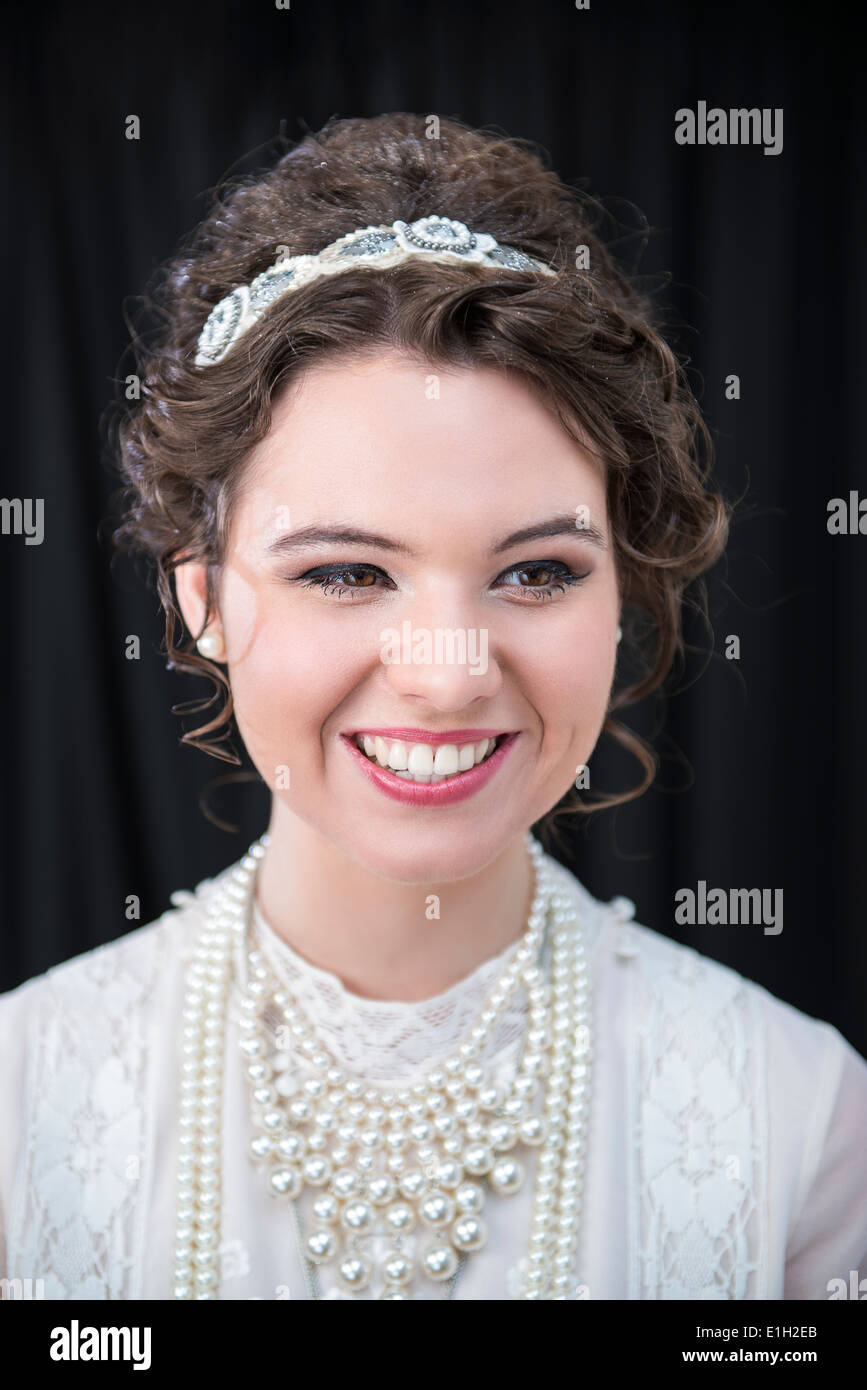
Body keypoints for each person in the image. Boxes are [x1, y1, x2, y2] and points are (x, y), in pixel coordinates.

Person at [1, 113, 865, 1301]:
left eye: (536, 572)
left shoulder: (804, 1123)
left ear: (621, 589)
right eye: (347, 571)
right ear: (200, 595)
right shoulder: (22, 1105)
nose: (449, 669)